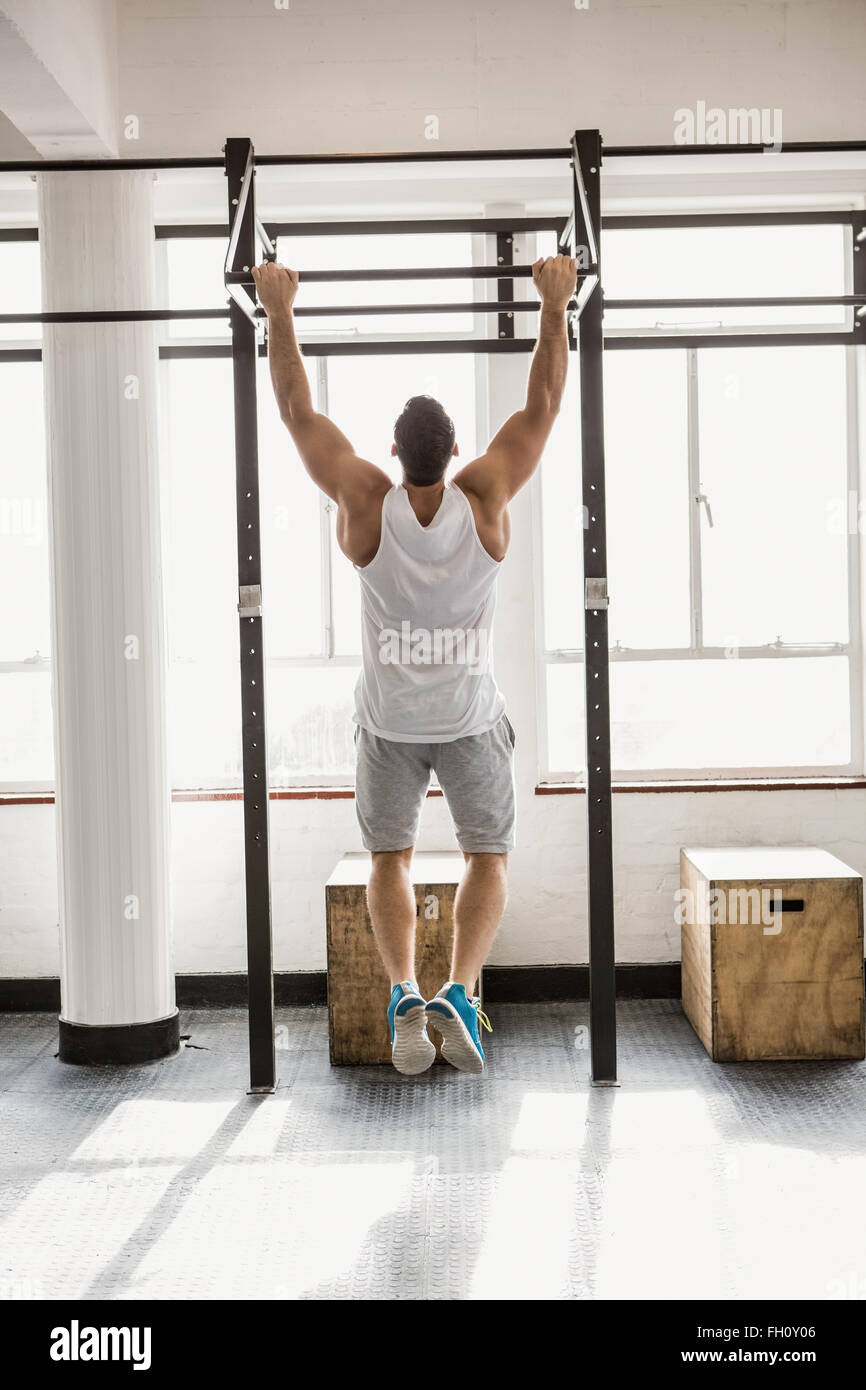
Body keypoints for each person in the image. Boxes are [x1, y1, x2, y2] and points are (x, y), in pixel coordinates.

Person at [253, 252, 577, 1077]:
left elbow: (296, 412)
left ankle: (403, 989)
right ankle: (460, 990)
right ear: (457, 450)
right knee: (486, 858)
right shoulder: (486, 501)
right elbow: (541, 405)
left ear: (394, 452)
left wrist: (279, 310)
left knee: (388, 860)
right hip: (468, 721)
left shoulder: (366, 505)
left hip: (390, 725)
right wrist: (553, 303)